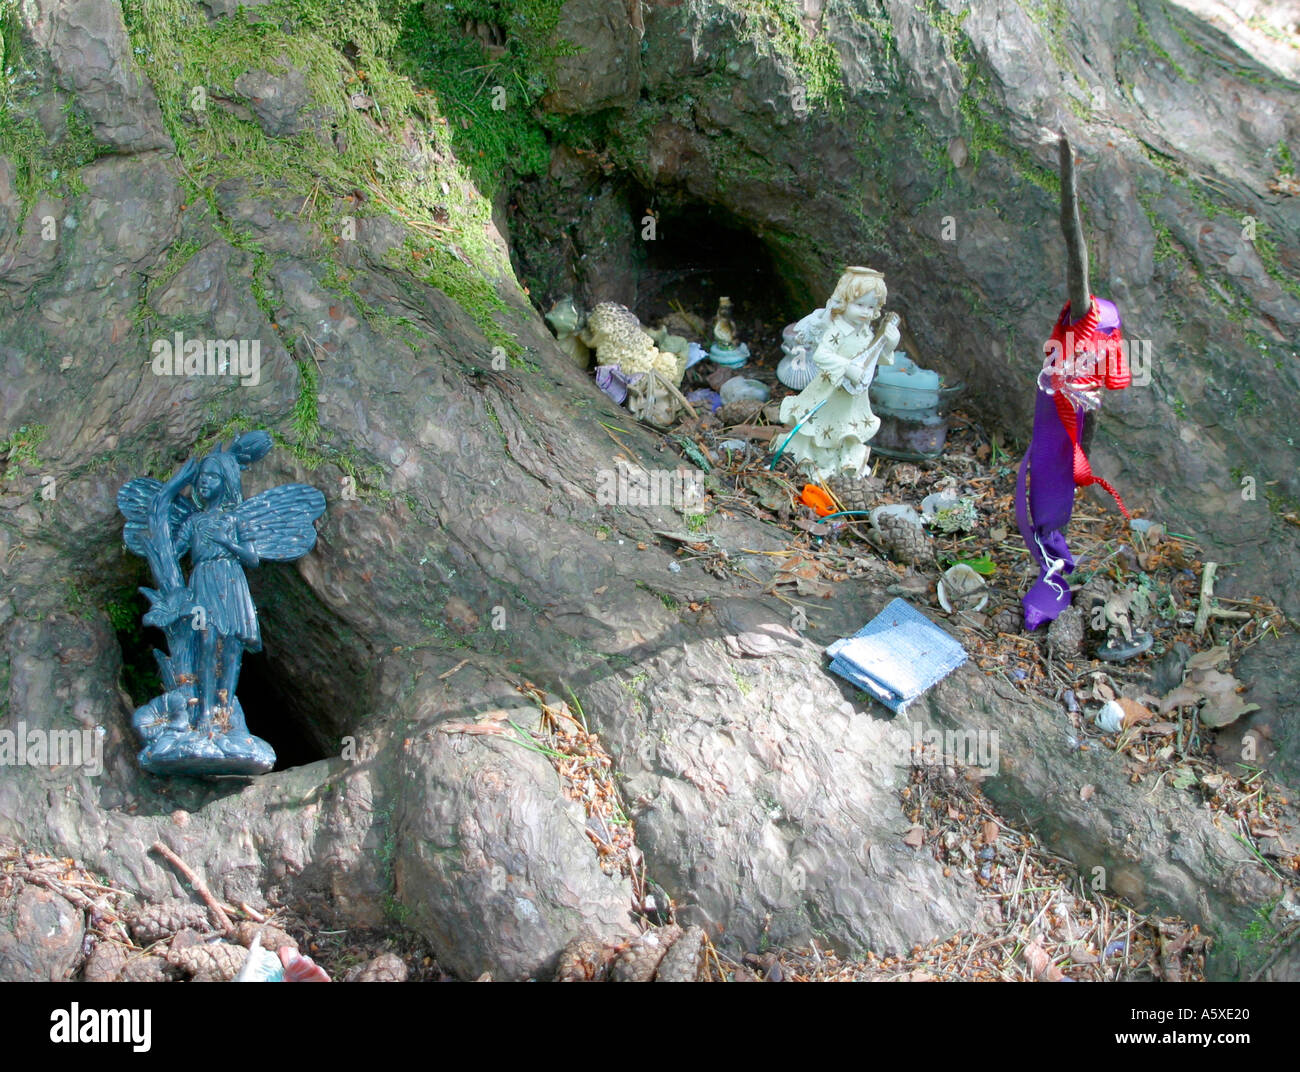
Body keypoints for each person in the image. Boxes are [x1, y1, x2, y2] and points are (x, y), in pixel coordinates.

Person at [775, 266, 900, 481]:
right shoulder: (837, 330)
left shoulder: (866, 330)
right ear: (844, 301)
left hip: (853, 395)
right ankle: (815, 462)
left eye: (871, 307)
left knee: (846, 426)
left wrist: (890, 344)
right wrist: (847, 367)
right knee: (822, 424)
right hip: (830, 389)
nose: (865, 312)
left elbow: (870, 358)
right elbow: (821, 355)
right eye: (859, 304)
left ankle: (842, 462)